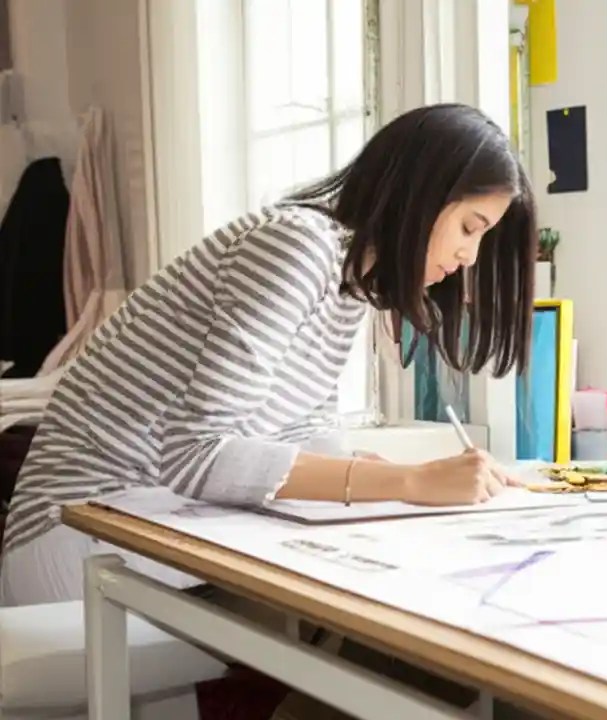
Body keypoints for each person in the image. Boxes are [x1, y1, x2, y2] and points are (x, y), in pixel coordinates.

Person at [0, 104, 537, 606]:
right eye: (470, 228)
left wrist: (417, 475)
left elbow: (303, 436)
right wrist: (412, 483)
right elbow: (197, 455)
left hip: (145, 518)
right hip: (74, 529)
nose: (468, 256)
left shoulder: (350, 281)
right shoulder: (296, 245)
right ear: (421, 193)